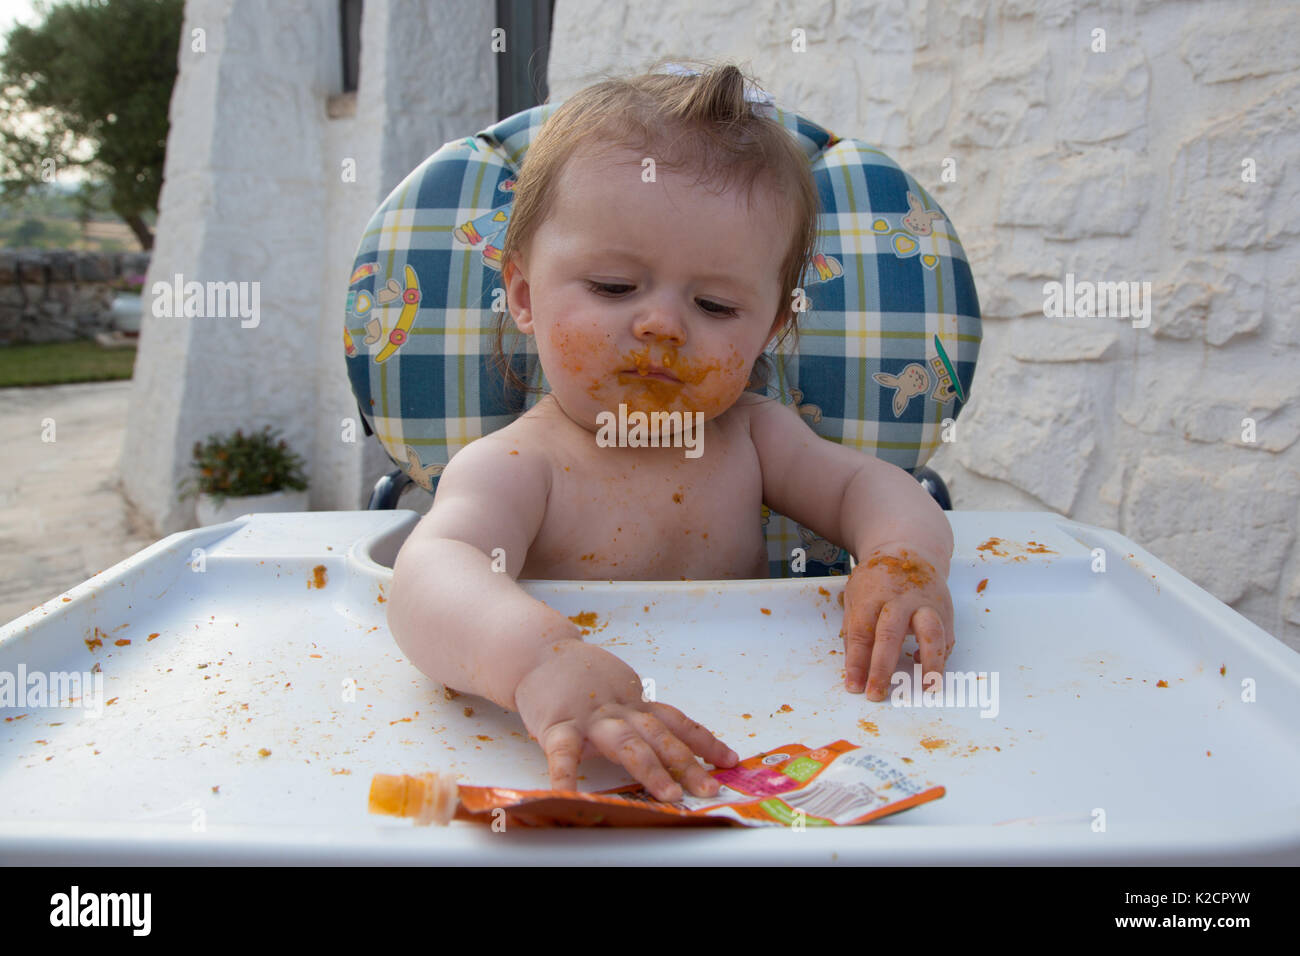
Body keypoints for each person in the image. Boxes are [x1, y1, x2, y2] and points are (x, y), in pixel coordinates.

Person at [386, 59, 955, 803]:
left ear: (772, 326)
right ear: (524, 295)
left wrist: (903, 560)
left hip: (750, 744)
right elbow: (431, 574)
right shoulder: (521, 463)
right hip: (570, 760)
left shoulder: (754, 438)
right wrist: (537, 661)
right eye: (614, 288)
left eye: (716, 305)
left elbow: (871, 488)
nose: (661, 324)